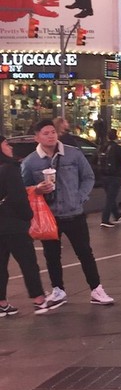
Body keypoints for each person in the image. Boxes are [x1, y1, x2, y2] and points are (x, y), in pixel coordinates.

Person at [20, 119, 114, 308]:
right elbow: (24, 188)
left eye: (53, 132)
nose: (51, 136)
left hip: (74, 212)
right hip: (50, 216)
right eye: (46, 133)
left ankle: (96, 289)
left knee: (85, 253)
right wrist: (37, 189)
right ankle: (58, 289)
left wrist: (80, 197)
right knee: (52, 255)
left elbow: (88, 177)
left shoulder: (73, 154)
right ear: (37, 137)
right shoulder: (31, 162)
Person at [0, 131, 47, 315]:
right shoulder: (9, 169)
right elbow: (19, 197)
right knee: (28, 262)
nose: (10, 147)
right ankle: (39, 299)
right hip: (14, 224)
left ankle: (2, 303)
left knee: (0, 265)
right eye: (6, 144)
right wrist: (27, 216)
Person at [97, 128, 121, 227]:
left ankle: (117, 215)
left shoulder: (103, 148)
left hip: (104, 176)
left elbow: (94, 159)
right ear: (117, 137)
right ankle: (105, 219)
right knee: (110, 198)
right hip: (115, 177)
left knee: (111, 196)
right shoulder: (119, 149)